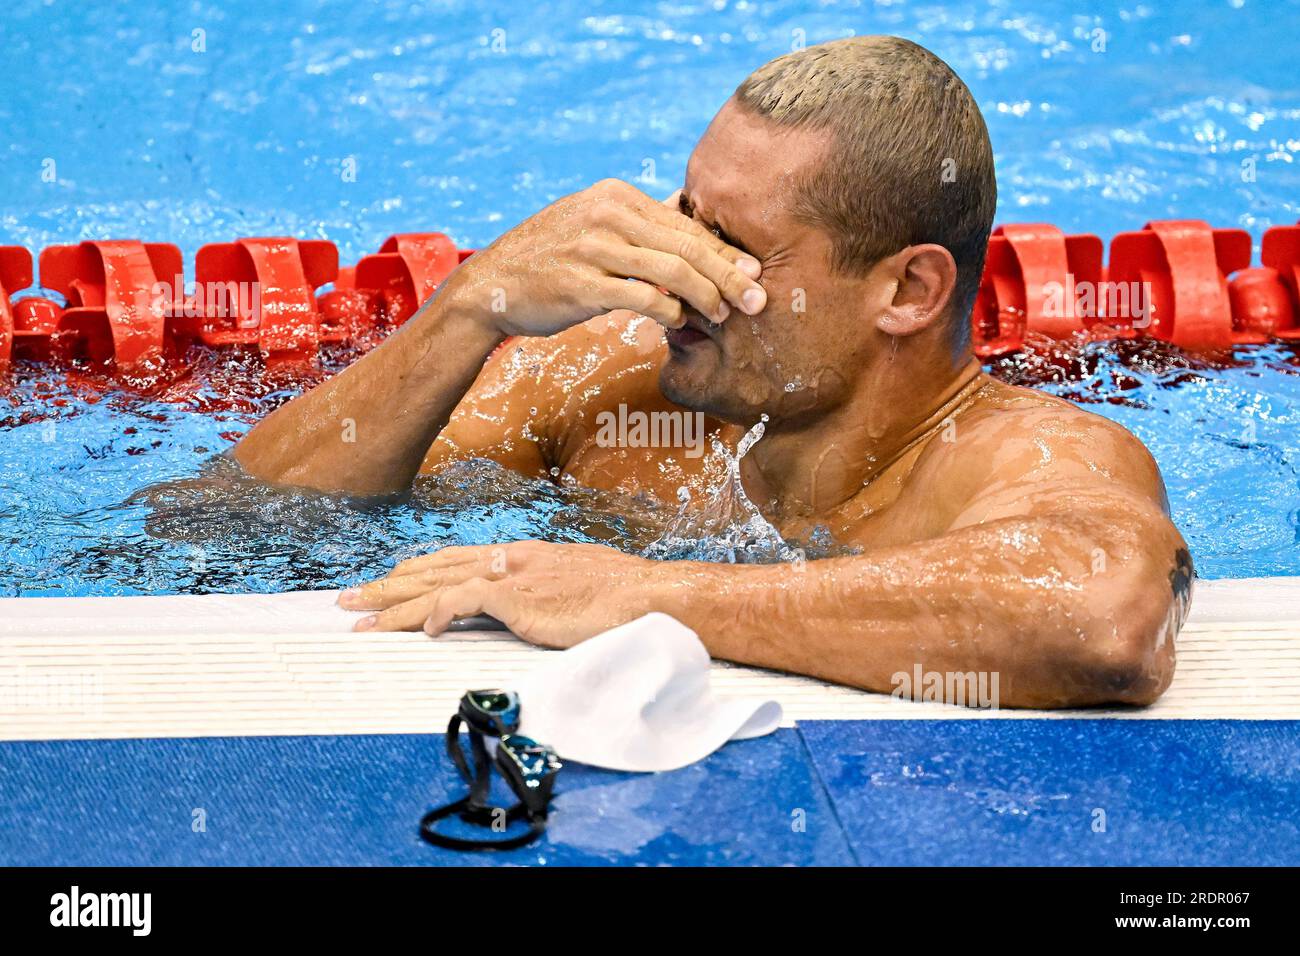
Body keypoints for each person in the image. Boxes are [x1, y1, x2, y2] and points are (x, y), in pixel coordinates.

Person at [235, 36, 1190, 708]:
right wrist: (467, 308)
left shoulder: (1021, 456)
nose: (672, 273)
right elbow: (229, 531)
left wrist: (647, 595)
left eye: (727, 244)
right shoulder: (608, 383)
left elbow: (1104, 622)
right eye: (682, 214)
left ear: (906, 291)